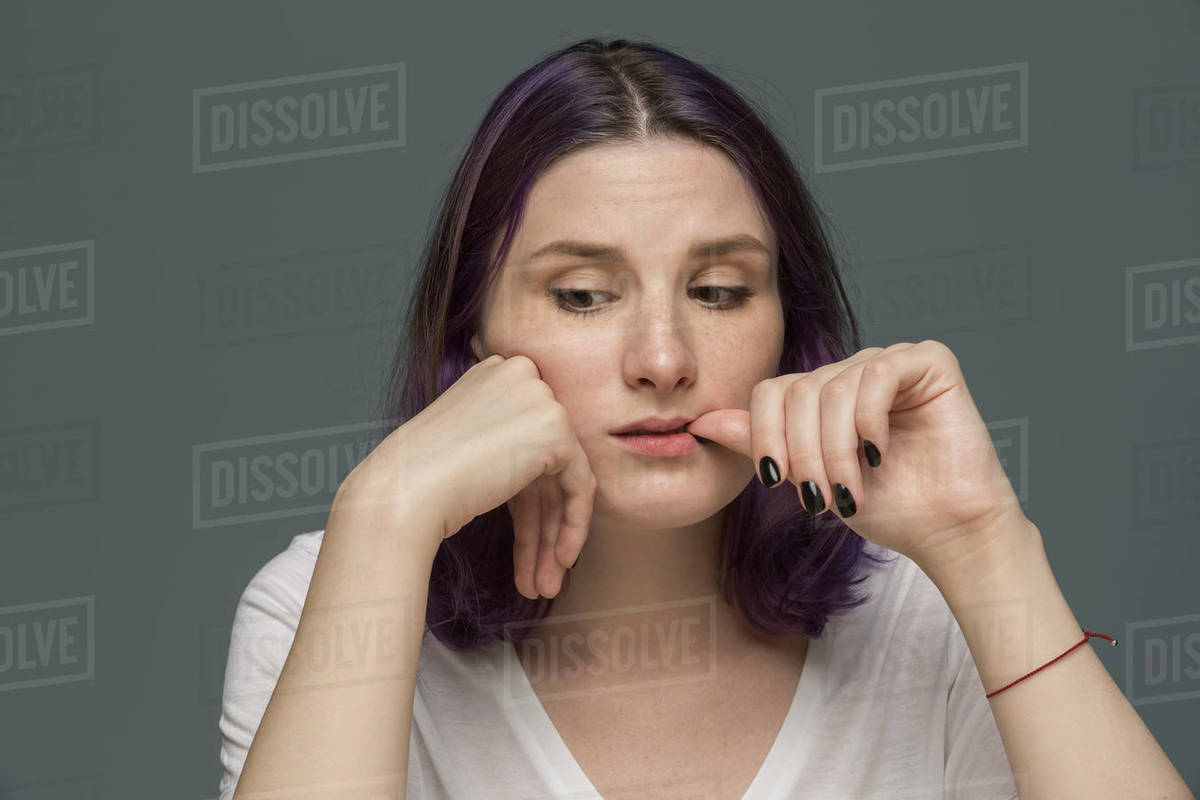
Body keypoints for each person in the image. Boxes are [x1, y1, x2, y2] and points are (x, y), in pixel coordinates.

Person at [216, 38, 1192, 800]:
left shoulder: (920, 620)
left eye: (720, 290)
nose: (664, 359)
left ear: (785, 331)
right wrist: (385, 510)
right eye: (584, 295)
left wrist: (987, 548)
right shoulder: (327, 599)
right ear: (476, 335)